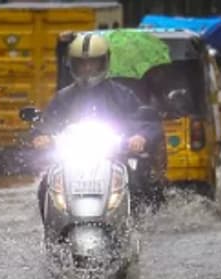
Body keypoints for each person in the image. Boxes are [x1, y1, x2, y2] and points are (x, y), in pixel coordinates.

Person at [31, 32, 165, 210]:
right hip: (72, 162)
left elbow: (144, 120)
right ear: (72, 64)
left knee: (137, 186)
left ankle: (134, 230)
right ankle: (52, 234)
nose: (87, 68)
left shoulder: (121, 95)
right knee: (46, 187)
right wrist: (41, 136)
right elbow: (47, 123)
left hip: (114, 159)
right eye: (82, 63)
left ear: (104, 62)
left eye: (92, 63)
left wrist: (140, 136)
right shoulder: (63, 98)